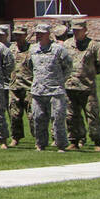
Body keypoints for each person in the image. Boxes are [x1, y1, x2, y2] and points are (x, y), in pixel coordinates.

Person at [64, 19, 100, 152]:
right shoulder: (67, 44)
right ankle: (74, 141)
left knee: (92, 115)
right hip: (70, 86)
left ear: (85, 30)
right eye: (74, 30)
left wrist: (90, 73)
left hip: (87, 87)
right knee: (71, 116)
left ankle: (97, 142)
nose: (76, 33)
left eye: (79, 30)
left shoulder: (94, 45)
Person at [28, 22, 72, 152]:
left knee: (58, 118)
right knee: (38, 118)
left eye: (41, 34)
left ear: (48, 34)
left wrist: (59, 80)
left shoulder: (58, 49)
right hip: (38, 90)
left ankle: (61, 144)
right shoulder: (33, 50)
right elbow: (31, 67)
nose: (39, 36)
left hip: (55, 90)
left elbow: (68, 67)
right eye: (37, 34)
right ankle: (40, 144)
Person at [7, 24, 33, 146]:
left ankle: (38, 137)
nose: (18, 37)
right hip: (14, 86)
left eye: (20, 35)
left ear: (25, 35)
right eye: (16, 35)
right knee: (14, 114)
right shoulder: (11, 49)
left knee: (32, 115)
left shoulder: (32, 49)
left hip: (29, 86)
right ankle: (16, 138)